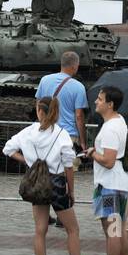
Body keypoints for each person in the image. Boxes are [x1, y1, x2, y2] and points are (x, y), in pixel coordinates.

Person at [2, 96, 82, 255]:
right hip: (57, 182)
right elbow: (69, 165)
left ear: (39, 110)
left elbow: (8, 149)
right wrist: (72, 190)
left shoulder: (28, 132)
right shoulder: (62, 134)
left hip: (38, 183)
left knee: (40, 230)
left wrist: (28, 162)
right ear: (56, 112)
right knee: (72, 229)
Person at [86, 85, 128, 255]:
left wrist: (92, 153)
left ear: (110, 104)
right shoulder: (119, 121)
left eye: (100, 99)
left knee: (112, 232)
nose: (96, 101)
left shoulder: (110, 128)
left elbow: (109, 161)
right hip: (121, 182)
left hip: (110, 184)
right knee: (121, 230)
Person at [35, 51, 89, 205]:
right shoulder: (78, 87)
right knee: (66, 172)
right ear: (75, 66)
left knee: (45, 171)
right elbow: (79, 116)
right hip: (68, 135)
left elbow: (39, 104)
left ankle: (43, 207)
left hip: (46, 132)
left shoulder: (45, 80)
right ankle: (63, 210)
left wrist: (42, 124)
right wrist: (83, 141)